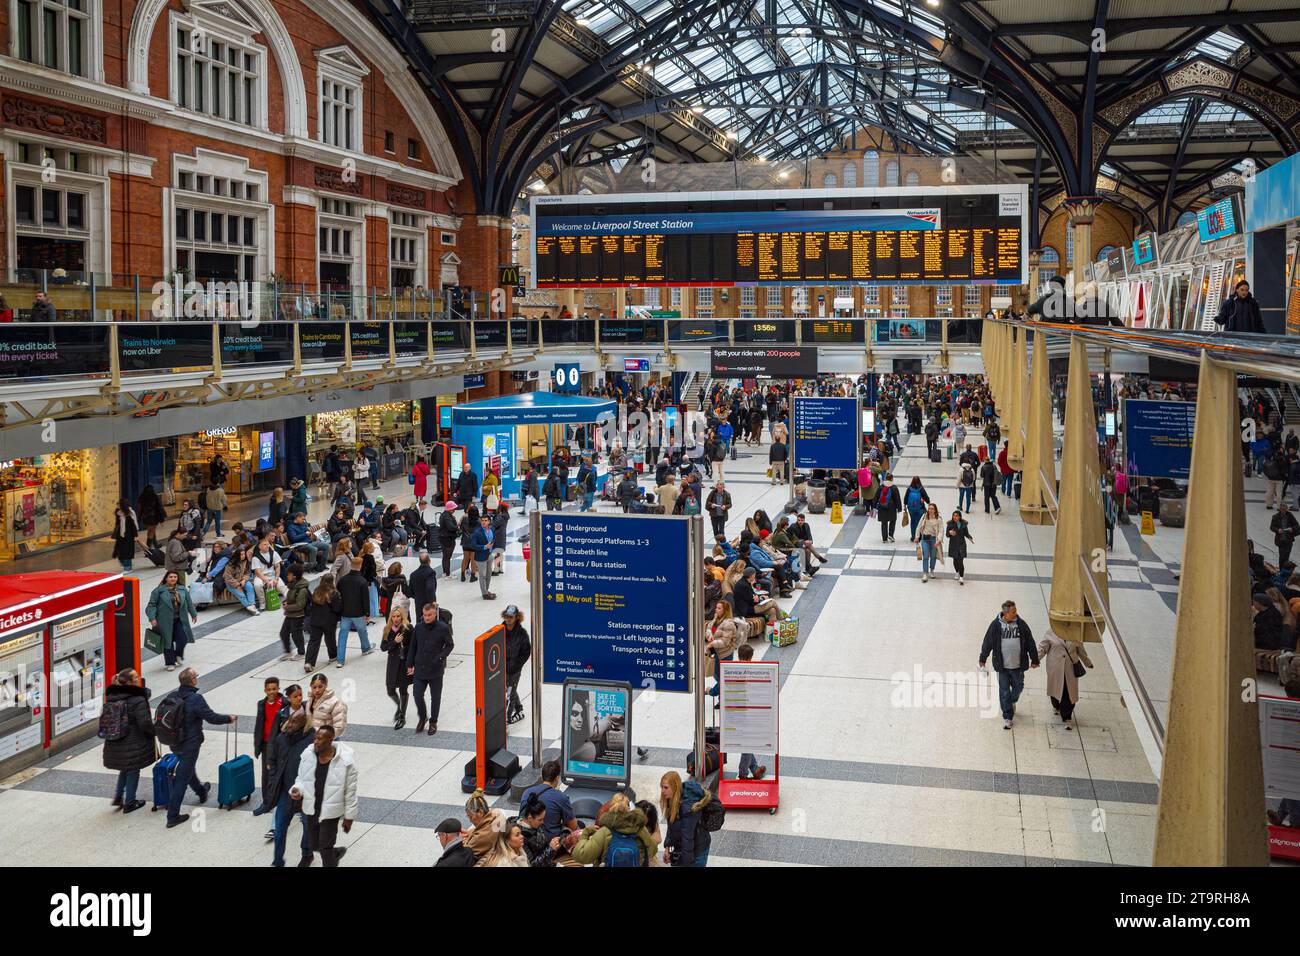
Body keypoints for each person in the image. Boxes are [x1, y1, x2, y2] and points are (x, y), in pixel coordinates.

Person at [162, 667, 236, 828]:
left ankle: (201, 791)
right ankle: (172, 815)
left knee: (187, 769)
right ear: (193, 680)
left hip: (175, 743)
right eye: (196, 676)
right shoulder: (195, 699)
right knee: (182, 777)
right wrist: (228, 718)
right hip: (190, 743)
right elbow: (211, 717)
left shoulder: (172, 696)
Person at [288, 724, 358, 867]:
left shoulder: (345, 761)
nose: (316, 741)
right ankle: (335, 854)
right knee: (315, 845)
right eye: (316, 738)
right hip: (311, 808)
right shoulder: (308, 755)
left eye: (320, 739)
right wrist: (296, 789)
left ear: (330, 740)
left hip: (331, 811)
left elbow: (351, 791)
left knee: (325, 848)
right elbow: (301, 779)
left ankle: (331, 856)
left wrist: (349, 816)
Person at [978, 600, 1040, 729]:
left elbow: (1030, 642)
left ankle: (1012, 701)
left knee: (1019, 687)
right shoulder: (995, 626)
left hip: (1018, 666)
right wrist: (982, 659)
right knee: (1004, 691)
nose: (1016, 613)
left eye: (1015, 611)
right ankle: (1007, 717)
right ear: (1006, 613)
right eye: (1013, 611)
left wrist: (1034, 660)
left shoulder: (1021, 624)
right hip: (1002, 667)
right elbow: (987, 642)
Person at [101, 668, 155, 814]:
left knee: (125, 769)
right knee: (133, 770)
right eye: (136, 678)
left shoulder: (112, 696)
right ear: (130, 682)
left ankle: (118, 796)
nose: (139, 679)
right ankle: (130, 802)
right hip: (133, 741)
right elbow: (144, 723)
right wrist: (154, 732)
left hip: (115, 741)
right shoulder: (137, 700)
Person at [264, 711, 314, 867]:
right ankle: (278, 861)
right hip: (285, 792)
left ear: (304, 725)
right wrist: (273, 779)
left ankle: (307, 853)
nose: (290, 725)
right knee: (279, 829)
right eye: (290, 721)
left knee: (307, 826)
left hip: (305, 794)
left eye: (294, 722)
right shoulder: (282, 738)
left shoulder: (312, 741)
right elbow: (272, 760)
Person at [571, 792, 659, 866]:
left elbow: (580, 855)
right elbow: (652, 851)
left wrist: (586, 833)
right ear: (630, 809)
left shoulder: (605, 831)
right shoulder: (641, 829)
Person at [407, 600, 454, 734]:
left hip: (435, 669)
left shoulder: (443, 628)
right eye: (425, 615)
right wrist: (410, 664)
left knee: (435, 697)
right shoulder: (419, 628)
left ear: (435, 614)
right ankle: (423, 717)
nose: (427, 617)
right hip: (420, 667)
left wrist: (441, 656)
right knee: (417, 694)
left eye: (430, 615)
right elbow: (413, 647)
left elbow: (450, 645)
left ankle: (433, 721)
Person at [1038, 630, 1094, 731]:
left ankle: (1067, 717)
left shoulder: (1075, 633)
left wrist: (1087, 662)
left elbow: (1080, 650)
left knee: (1068, 693)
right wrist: (1035, 660)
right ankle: (1056, 705)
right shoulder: (1050, 633)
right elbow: (1042, 648)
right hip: (1055, 668)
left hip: (1070, 669)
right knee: (1055, 690)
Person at [251, 676, 288, 822]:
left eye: (274, 689)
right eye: (269, 689)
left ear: (278, 689)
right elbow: (258, 725)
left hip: (281, 745)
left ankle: (285, 801)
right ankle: (267, 802)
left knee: (284, 773)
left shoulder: (284, 703)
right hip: (266, 744)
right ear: (265, 690)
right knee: (266, 774)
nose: (271, 692)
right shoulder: (261, 704)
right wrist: (257, 746)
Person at [146, 570, 198, 671]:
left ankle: (178, 655)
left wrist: (193, 614)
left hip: (179, 619)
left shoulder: (182, 590)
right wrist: (152, 618)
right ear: (166, 578)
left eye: (175, 577)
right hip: (164, 621)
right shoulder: (158, 591)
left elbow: (189, 603)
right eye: (171, 577)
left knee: (182, 639)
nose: (173, 578)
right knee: (167, 642)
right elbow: (151, 606)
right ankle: (170, 662)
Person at [519, 760, 579, 842]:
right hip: (549, 841)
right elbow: (573, 826)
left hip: (527, 837)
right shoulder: (560, 797)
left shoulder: (527, 792)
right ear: (557, 778)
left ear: (542, 776)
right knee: (577, 827)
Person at [660, 771, 712, 867]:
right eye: (662, 787)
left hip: (698, 848)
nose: (663, 791)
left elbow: (687, 839)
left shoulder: (687, 808)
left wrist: (687, 864)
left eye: (666, 787)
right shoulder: (671, 800)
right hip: (683, 847)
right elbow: (671, 825)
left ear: (675, 787)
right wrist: (667, 847)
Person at [733, 642, 767, 779]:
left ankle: (755, 768)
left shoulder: (732, 669)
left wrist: (710, 691)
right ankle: (743, 773)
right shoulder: (754, 671)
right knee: (747, 742)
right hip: (747, 712)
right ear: (751, 658)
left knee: (747, 740)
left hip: (734, 712)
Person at [336, 556, 374, 667]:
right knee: (362, 631)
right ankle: (366, 648)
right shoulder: (362, 581)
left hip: (345, 612)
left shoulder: (342, 580)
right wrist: (367, 614)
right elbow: (365, 599)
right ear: (360, 566)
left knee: (343, 635)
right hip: (358, 612)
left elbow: (339, 594)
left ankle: (340, 660)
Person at [380, 605, 413, 729]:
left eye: (398, 616)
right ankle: (399, 707)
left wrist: (412, 664)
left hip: (404, 663)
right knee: (390, 690)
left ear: (402, 617)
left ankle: (402, 716)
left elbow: (413, 647)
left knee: (403, 690)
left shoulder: (408, 628)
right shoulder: (387, 629)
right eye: (393, 616)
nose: (396, 619)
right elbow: (383, 647)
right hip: (393, 663)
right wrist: (395, 642)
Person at [502, 604, 531, 724]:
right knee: (511, 688)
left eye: (511, 617)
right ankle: (519, 709)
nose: (508, 619)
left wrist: (517, 664)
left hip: (514, 669)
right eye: (506, 616)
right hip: (502, 668)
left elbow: (526, 652)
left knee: (510, 693)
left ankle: (508, 717)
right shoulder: (500, 631)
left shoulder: (522, 633)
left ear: (516, 618)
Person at [470, 513, 497, 600]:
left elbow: (493, 539)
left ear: (489, 521)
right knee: (482, 576)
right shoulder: (477, 532)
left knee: (489, 575)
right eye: (482, 521)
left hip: (489, 555)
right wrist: (485, 547)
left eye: (486, 521)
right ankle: (484, 594)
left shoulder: (492, 529)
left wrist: (492, 547)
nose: (484, 522)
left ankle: (486, 590)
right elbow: (473, 545)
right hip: (481, 556)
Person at [111, 499, 141, 572]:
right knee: (120, 552)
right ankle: (127, 565)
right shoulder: (118, 513)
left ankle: (127, 568)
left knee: (127, 552)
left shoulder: (129, 513)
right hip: (120, 535)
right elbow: (117, 525)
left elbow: (133, 525)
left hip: (129, 536)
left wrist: (135, 535)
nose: (117, 506)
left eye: (118, 504)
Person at [916, 502, 944, 582]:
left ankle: (932, 570)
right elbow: (919, 526)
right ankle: (925, 573)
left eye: (932, 509)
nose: (930, 510)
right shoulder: (925, 517)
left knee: (933, 556)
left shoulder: (939, 519)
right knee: (925, 556)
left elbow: (941, 530)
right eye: (929, 508)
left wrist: (939, 539)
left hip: (934, 540)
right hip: (925, 539)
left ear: (935, 510)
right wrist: (917, 536)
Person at [945, 509, 974, 584]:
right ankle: (957, 572)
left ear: (960, 517)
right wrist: (950, 532)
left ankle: (961, 577)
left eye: (956, 516)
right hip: (953, 545)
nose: (955, 517)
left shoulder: (963, 524)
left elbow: (966, 533)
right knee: (955, 560)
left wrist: (970, 538)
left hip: (961, 545)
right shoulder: (950, 524)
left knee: (960, 561)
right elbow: (947, 535)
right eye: (954, 516)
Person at [137, 484, 167, 551]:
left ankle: (155, 544)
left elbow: (140, 510)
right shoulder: (154, 497)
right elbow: (159, 508)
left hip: (146, 518)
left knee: (151, 531)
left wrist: (138, 519)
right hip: (153, 518)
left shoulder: (142, 498)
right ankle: (148, 548)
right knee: (151, 532)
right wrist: (162, 519)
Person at [876, 473, 902, 543]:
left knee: (884, 523)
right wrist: (899, 508)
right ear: (891, 479)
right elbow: (897, 498)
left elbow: (876, 496)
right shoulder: (894, 487)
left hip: (882, 507)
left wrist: (874, 506)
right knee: (892, 521)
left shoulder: (881, 487)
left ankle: (884, 539)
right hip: (892, 508)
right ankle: (891, 535)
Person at [1273, 501, 1299, 567]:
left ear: (1286, 509)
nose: (1283, 511)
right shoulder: (1276, 516)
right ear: (1280, 509)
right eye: (1282, 509)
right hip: (1280, 540)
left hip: (1288, 540)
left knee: (1286, 556)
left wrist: (1292, 529)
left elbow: (1296, 526)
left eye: (1284, 509)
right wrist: (1277, 530)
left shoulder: (1290, 516)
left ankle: (1284, 570)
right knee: (1281, 556)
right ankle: (1281, 570)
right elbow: (1272, 527)